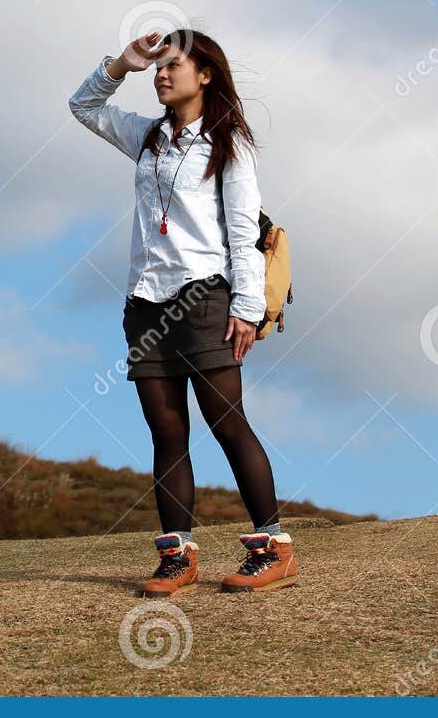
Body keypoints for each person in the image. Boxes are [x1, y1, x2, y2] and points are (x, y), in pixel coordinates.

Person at [69, 30, 297, 597]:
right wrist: (123, 63)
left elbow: (243, 231)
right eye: (157, 68)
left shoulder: (228, 144)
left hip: (205, 298)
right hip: (145, 301)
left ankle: (273, 548)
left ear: (206, 75)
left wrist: (247, 308)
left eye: (173, 65)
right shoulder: (148, 137)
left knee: (226, 422)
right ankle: (178, 558)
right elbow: (83, 106)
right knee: (166, 431)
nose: (162, 75)